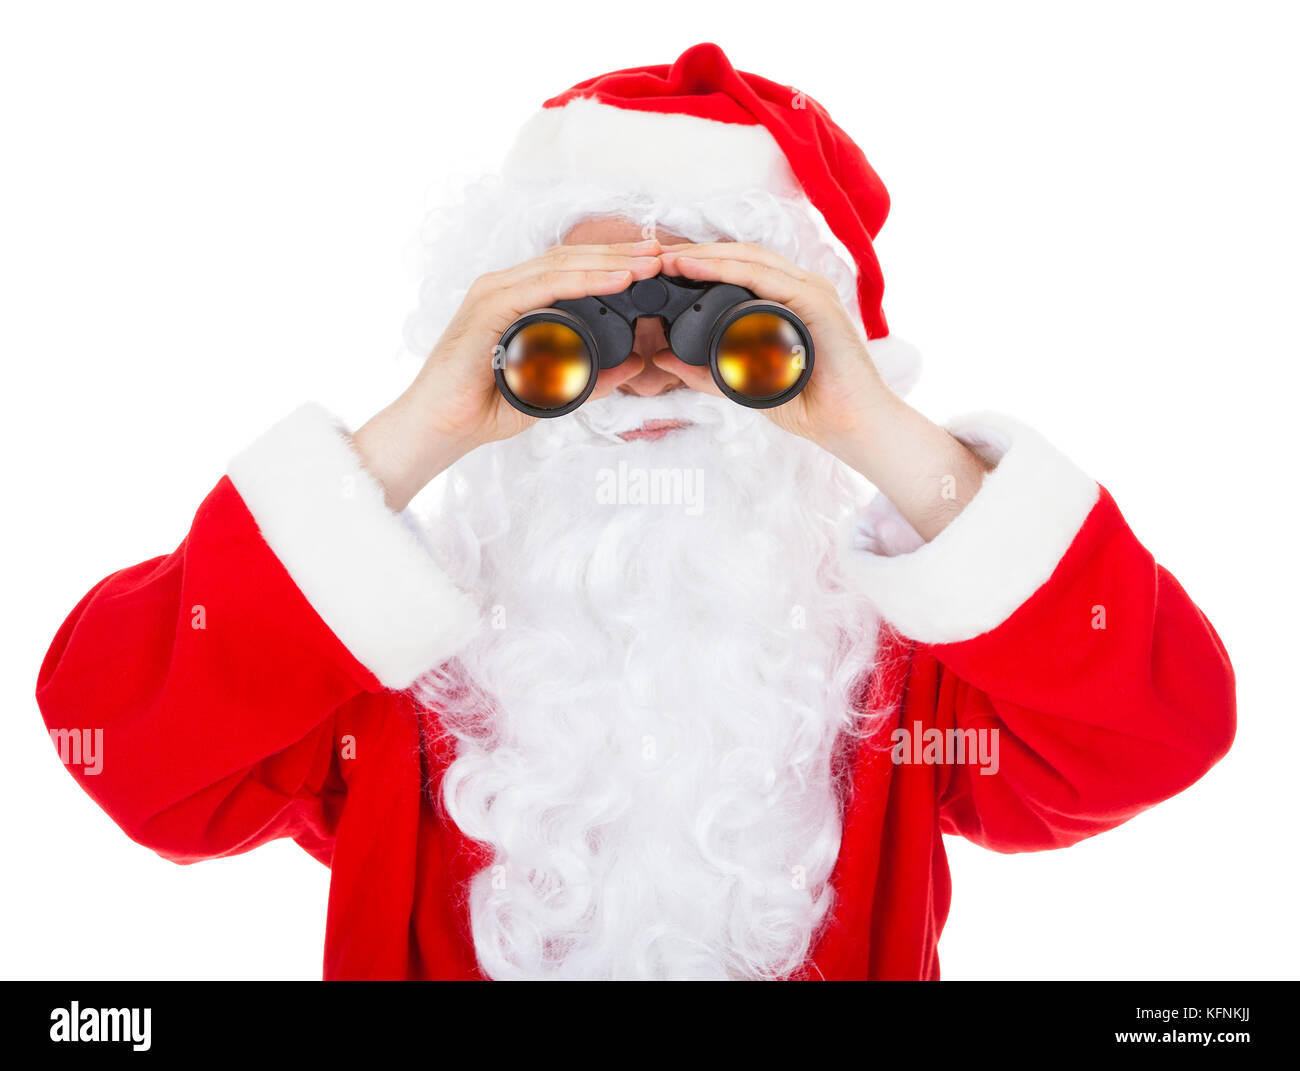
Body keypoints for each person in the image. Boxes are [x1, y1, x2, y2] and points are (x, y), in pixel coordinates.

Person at [36, 42, 1235, 981]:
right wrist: (416, 432)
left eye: (722, 326)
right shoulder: (385, 662)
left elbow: (1159, 728)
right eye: (582, 325)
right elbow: (124, 747)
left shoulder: (892, 682)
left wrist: (872, 424)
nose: (651, 373)